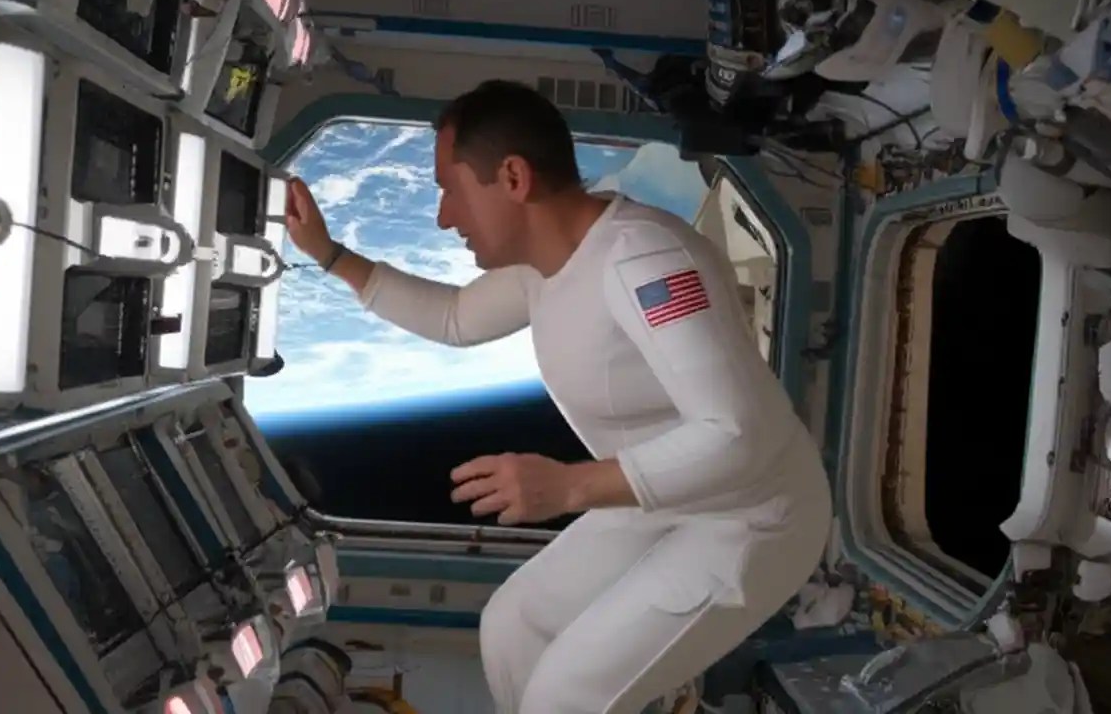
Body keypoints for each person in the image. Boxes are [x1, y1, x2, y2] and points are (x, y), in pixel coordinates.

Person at [284, 79, 832, 714]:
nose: (443, 215)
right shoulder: (547, 264)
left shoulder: (645, 262)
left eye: (451, 189)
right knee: (510, 629)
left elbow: (741, 435)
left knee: (565, 694)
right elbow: (456, 317)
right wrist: (329, 256)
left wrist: (568, 488)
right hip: (660, 499)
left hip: (754, 514)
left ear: (512, 178)